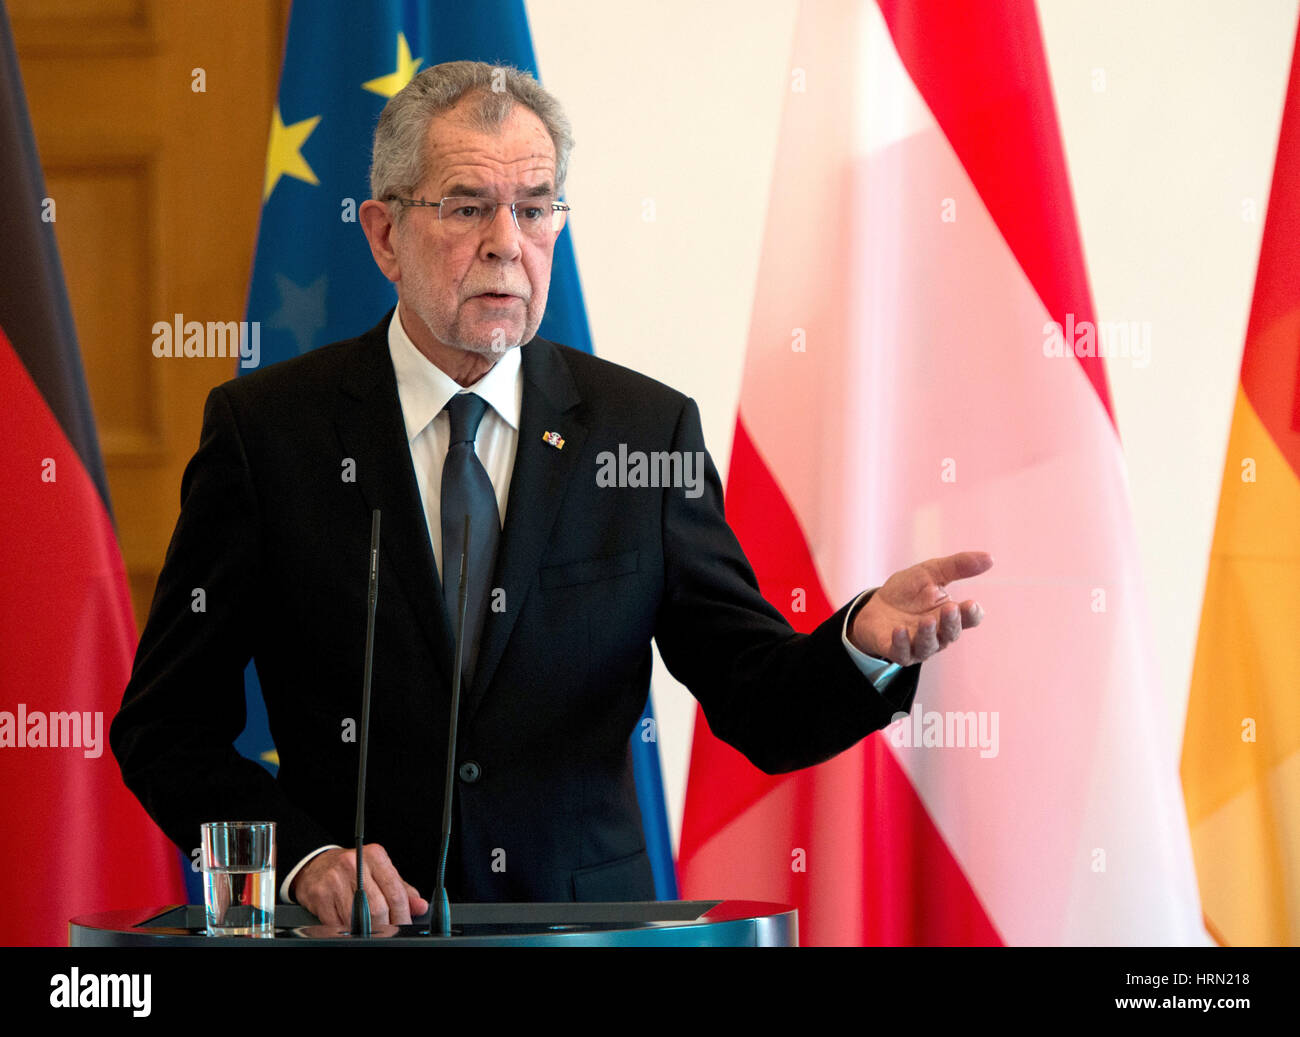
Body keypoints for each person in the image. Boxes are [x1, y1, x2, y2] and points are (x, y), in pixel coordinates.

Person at [110, 61, 992, 928]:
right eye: (467, 207)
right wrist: (305, 860)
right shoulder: (269, 435)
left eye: (534, 209)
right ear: (384, 236)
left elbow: (760, 702)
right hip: (362, 934)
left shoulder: (644, 433)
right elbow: (165, 728)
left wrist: (861, 646)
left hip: (587, 932)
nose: (507, 241)